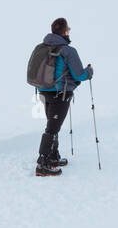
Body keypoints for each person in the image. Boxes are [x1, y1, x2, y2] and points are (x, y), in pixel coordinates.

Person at [34, 17, 92, 177]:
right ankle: (42, 163)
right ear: (65, 32)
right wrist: (89, 72)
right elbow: (79, 75)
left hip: (44, 90)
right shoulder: (68, 50)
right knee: (52, 127)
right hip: (61, 93)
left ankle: (53, 157)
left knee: (53, 124)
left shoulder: (43, 47)